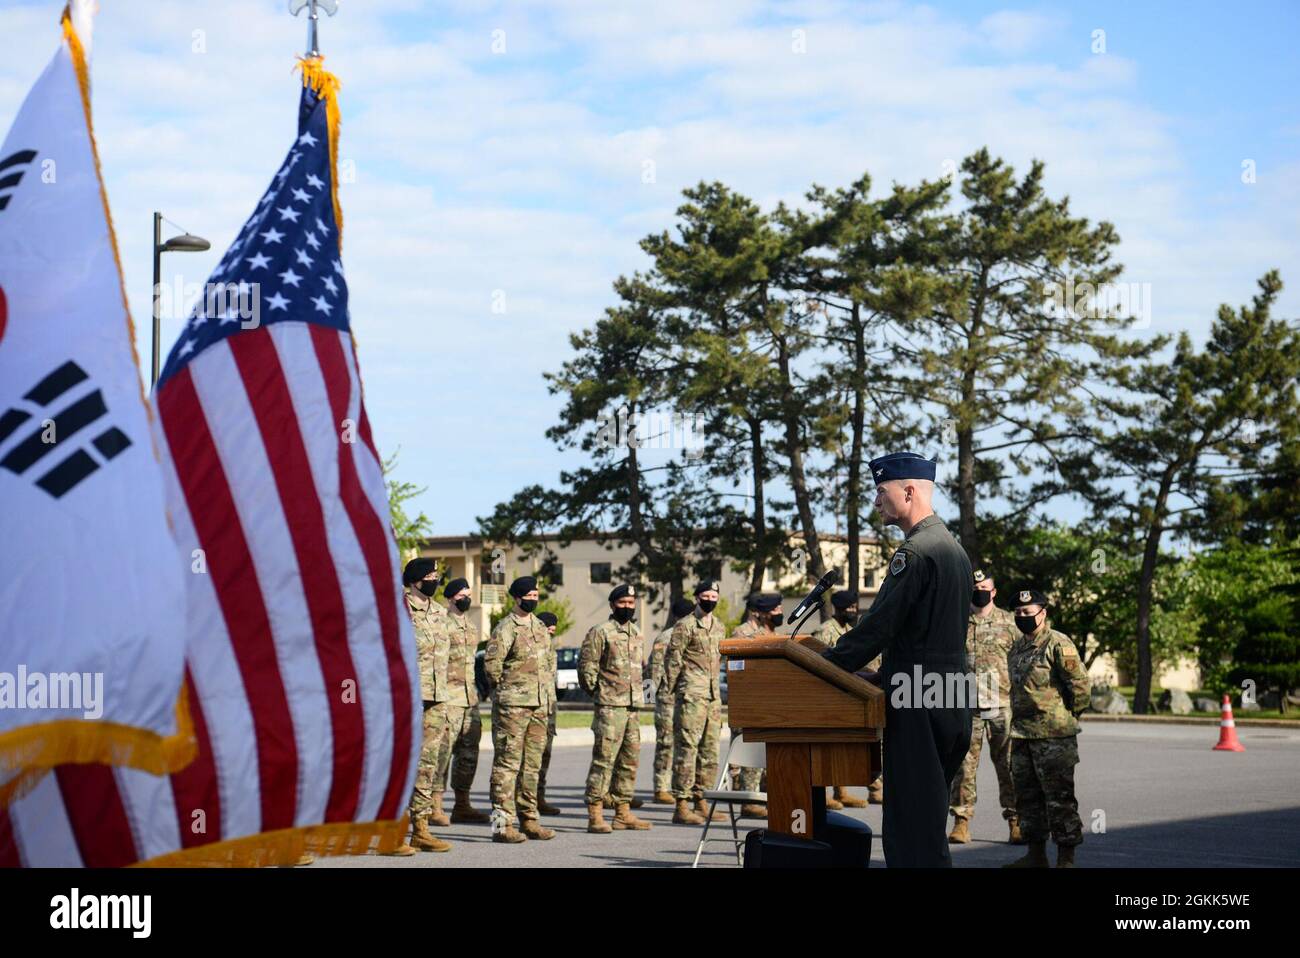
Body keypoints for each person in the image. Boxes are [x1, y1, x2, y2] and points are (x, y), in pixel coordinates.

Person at [821, 452, 973, 867]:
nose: (876, 502)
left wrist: (824, 665)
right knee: (926, 820)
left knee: (910, 827)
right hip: (949, 693)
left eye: (881, 492)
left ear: (908, 492)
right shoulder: (953, 548)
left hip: (918, 698)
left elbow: (880, 626)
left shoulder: (916, 551)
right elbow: (927, 633)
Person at [1005, 589, 1091, 868]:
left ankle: (1066, 858)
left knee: (1059, 799)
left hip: (1053, 737)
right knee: (1027, 799)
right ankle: (1036, 855)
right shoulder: (1017, 647)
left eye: (1028, 613)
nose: (1023, 617)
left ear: (1043, 613)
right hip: (1021, 735)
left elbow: (1080, 687)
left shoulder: (1058, 643)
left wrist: (1066, 718)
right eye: (1018, 613)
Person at [948, 569, 1021, 845]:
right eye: (975, 585)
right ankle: (961, 822)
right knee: (964, 767)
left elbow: (1022, 661)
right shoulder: (957, 623)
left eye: (984, 586)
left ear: (994, 592)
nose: (979, 589)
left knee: (1009, 765)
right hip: (967, 706)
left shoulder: (1010, 623)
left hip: (1002, 705)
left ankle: (1016, 822)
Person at [484, 576, 555, 843]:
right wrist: (507, 692)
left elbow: (547, 666)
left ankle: (530, 820)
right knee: (506, 765)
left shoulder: (539, 626)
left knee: (532, 766)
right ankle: (501, 826)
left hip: (539, 705)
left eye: (537, 595)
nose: (534, 600)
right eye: (529, 596)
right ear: (517, 598)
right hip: (512, 707)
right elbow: (492, 667)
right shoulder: (505, 628)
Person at [579, 584, 652, 833]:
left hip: (632, 706)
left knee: (629, 761)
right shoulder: (601, 631)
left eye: (631, 603)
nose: (627, 607)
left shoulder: (637, 633)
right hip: (610, 706)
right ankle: (595, 814)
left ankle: (622, 813)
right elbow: (587, 666)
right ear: (612, 605)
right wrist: (599, 693)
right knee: (604, 760)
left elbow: (641, 669)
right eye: (622, 603)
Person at [665, 580, 727, 825]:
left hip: (713, 696)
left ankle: (701, 798)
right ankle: (681, 804)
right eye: (706, 595)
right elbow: (673, 661)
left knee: (710, 750)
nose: (710, 599)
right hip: (691, 694)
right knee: (687, 750)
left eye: (714, 595)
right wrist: (670, 693)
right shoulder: (685, 625)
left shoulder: (720, 626)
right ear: (697, 597)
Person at [402, 557, 452, 854]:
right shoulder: (399, 609)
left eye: (436, 575)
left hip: (438, 695)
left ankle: (420, 829)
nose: (435, 579)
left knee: (428, 763)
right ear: (416, 580)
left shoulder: (439, 612)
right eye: (431, 575)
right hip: (407, 695)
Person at [435, 577, 490, 826]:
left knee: (469, 753)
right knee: (442, 754)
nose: (466, 598)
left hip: (470, 699)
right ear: (450, 598)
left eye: (468, 594)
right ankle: (434, 806)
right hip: (448, 699)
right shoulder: (441, 625)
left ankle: (462, 804)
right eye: (461, 595)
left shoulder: (470, 626)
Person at [813, 590, 872, 810]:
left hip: (844, 694)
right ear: (838, 609)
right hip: (826, 695)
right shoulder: (825, 631)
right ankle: (825, 793)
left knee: (840, 746)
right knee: (825, 746)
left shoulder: (849, 631)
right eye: (849, 608)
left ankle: (842, 791)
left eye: (855, 608)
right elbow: (816, 663)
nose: (853, 611)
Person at [728, 593, 783, 817]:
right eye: (775, 610)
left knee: (766, 751)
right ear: (759, 612)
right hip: (748, 700)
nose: (779, 614)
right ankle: (748, 800)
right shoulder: (742, 633)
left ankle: (765, 796)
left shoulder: (771, 633)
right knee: (749, 748)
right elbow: (738, 667)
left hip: (768, 701)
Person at [648, 597, 696, 804]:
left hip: (685, 698)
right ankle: (661, 787)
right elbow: (655, 670)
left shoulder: (692, 633)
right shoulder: (665, 638)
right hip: (667, 699)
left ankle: (681, 785)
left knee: (685, 744)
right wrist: (656, 696)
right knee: (666, 744)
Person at [531, 610, 562, 816]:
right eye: (547, 627)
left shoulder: (551, 649)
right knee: (529, 760)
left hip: (548, 710)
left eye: (553, 628)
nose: (550, 631)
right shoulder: (531, 646)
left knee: (544, 757)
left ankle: (538, 797)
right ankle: (526, 800)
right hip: (532, 709)